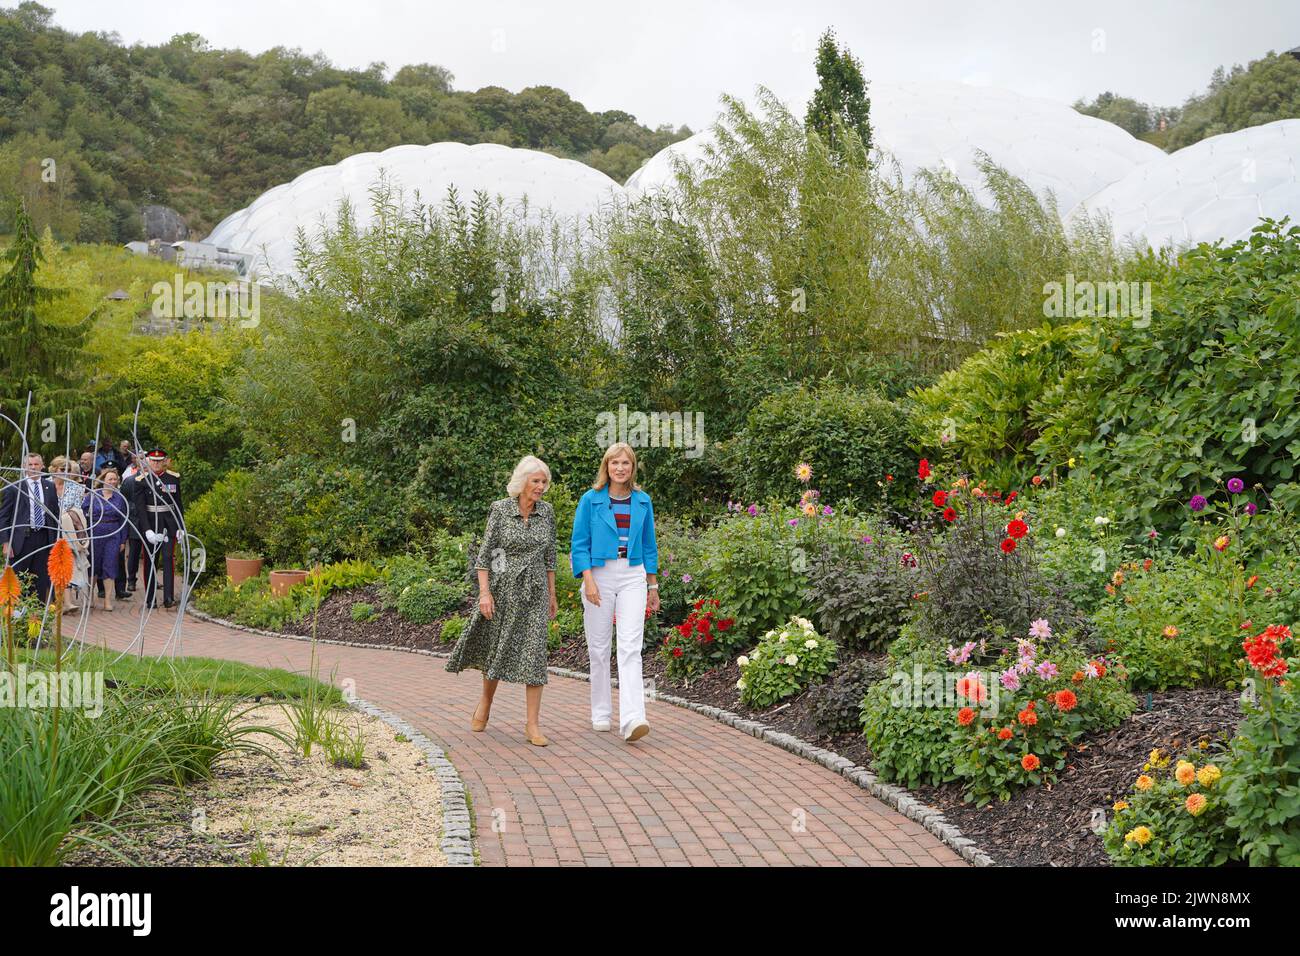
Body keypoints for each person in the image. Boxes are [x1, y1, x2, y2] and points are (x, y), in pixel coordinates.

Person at [445, 455, 558, 747]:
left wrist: (552, 595)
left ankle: (532, 724)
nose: (541, 487)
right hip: (502, 588)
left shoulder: (547, 513)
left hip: (534, 593)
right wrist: (485, 593)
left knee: (534, 655)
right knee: (496, 650)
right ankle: (485, 702)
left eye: (544, 482)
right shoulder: (500, 510)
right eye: (536, 481)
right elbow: (486, 555)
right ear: (522, 482)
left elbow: (550, 558)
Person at [570, 442, 660, 743]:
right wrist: (589, 579)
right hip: (599, 574)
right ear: (606, 467)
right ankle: (601, 712)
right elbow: (579, 543)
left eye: (626, 463)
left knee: (630, 647)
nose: (620, 468)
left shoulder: (643, 501)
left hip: (633, 573)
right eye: (614, 463)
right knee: (598, 648)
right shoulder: (590, 500)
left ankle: (634, 718)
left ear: (632, 468)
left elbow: (649, 546)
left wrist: (653, 585)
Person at [0, 452, 61, 603]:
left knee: (41, 580)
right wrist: (6, 542)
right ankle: (18, 615)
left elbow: (55, 515)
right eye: (30, 465)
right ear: (24, 467)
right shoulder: (14, 488)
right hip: (22, 540)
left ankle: (37, 617)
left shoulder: (50, 487)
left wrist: (57, 541)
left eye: (36, 464)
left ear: (42, 466)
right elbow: (4, 517)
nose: (33, 468)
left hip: (44, 539)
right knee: (19, 579)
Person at [133, 449, 184, 610]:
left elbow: (178, 505)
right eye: (153, 461)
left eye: (159, 461)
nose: (156, 463)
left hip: (168, 523)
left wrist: (180, 527)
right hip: (151, 522)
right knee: (150, 561)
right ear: (148, 461)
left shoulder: (173, 479)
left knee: (168, 558)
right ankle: (150, 598)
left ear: (164, 461)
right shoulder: (142, 481)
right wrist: (147, 530)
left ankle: (168, 597)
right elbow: (140, 509)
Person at [84, 466, 131, 611]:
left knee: (110, 565)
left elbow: (124, 520)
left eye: (115, 479)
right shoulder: (92, 495)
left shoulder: (120, 499)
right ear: (103, 480)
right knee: (93, 566)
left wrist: (123, 540)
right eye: (110, 479)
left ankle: (107, 601)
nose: (113, 481)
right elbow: (82, 514)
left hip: (113, 535)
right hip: (94, 534)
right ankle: (90, 598)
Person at [50, 459, 90, 611]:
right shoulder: (46, 484)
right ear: (54, 469)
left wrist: (65, 517)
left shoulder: (75, 487)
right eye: (61, 468)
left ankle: (67, 602)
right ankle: (52, 600)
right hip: (48, 529)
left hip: (67, 531)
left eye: (67, 468)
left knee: (66, 563)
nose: (64, 471)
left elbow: (76, 509)